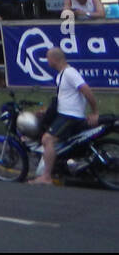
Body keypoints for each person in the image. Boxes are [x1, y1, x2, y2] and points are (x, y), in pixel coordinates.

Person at [32, 47, 100, 185]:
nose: (47, 61)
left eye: (48, 58)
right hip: (64, 114)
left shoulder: (70, 73)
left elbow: (86, 90)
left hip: (70, 116)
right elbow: (65, 98)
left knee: (47, 139)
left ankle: (46, 177)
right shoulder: (61, 75)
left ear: (54, 59)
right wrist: (46, 111)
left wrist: (95, 112)